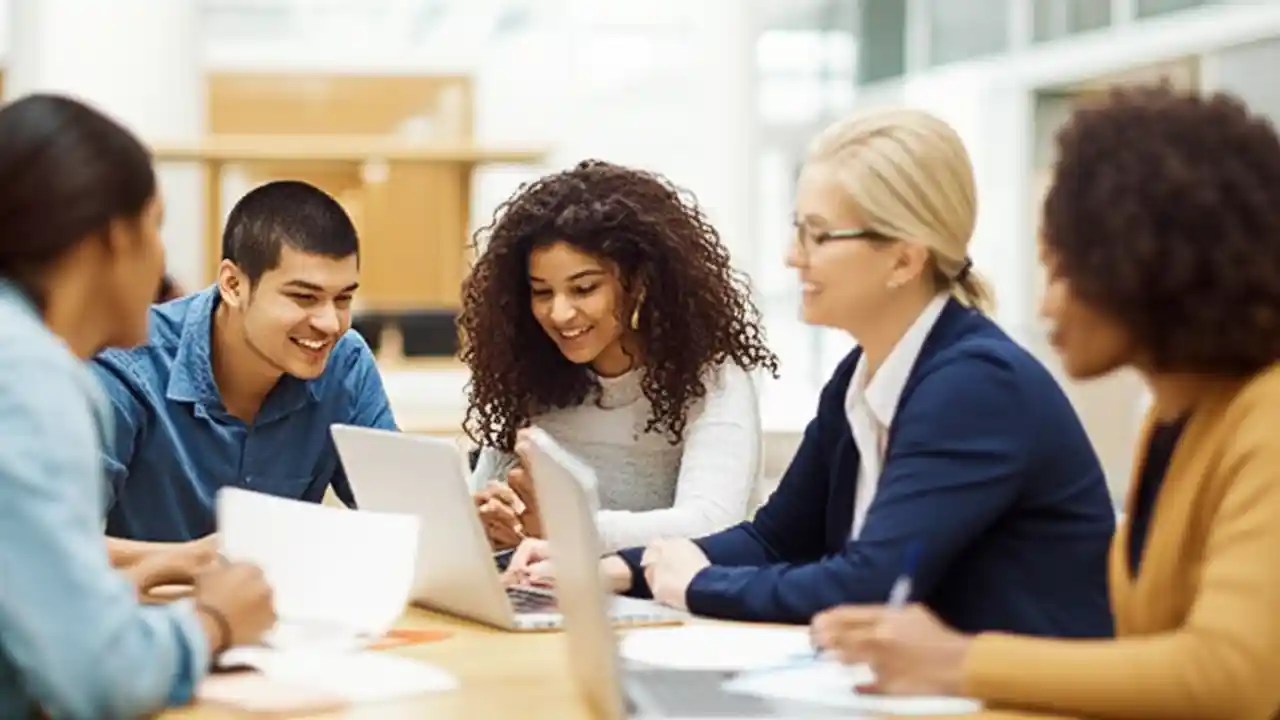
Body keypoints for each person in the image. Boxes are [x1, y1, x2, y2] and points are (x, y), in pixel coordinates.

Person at [509, 109, 1115, 638]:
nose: (792, 256)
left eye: (818, 236)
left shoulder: (975, 384)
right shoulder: (863, 374)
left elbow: (870, 583)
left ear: (904, 257)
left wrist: (692, 586)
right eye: (798, 229)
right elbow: (776, 540)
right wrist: (616, 569)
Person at [812, 86, 1280, 719]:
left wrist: (958, 661)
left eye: (1063, 273)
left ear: (1149, 266)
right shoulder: (1175, 421)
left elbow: (1231, 676)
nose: (1045, 306)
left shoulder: (1266, 421)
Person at [0, 93, 275, 718]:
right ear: (112, 238)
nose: (163, 260)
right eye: (156, 224)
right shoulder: (33, 380)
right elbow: (99, 677)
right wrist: (214, 621)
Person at [459, 159, 779, 552]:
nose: (559, 313)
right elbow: (492, 513)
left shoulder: (713, 380)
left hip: (675, 606)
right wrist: (491, 526)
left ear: (641, 282)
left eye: (584, 288)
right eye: (542, 292)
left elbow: (711, 525)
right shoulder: (530, 378)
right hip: (552, 598)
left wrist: (569, 529)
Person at [95, 179, 398, 570]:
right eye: (303, 297)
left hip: (292, 622)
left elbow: (397, 520)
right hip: (151, 621)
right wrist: (195, 558)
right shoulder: (128, 365)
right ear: (233, 285)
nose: (329, 324)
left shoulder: (346, 362)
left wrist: (468, 529)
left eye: (343, 299)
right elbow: (42, 544)